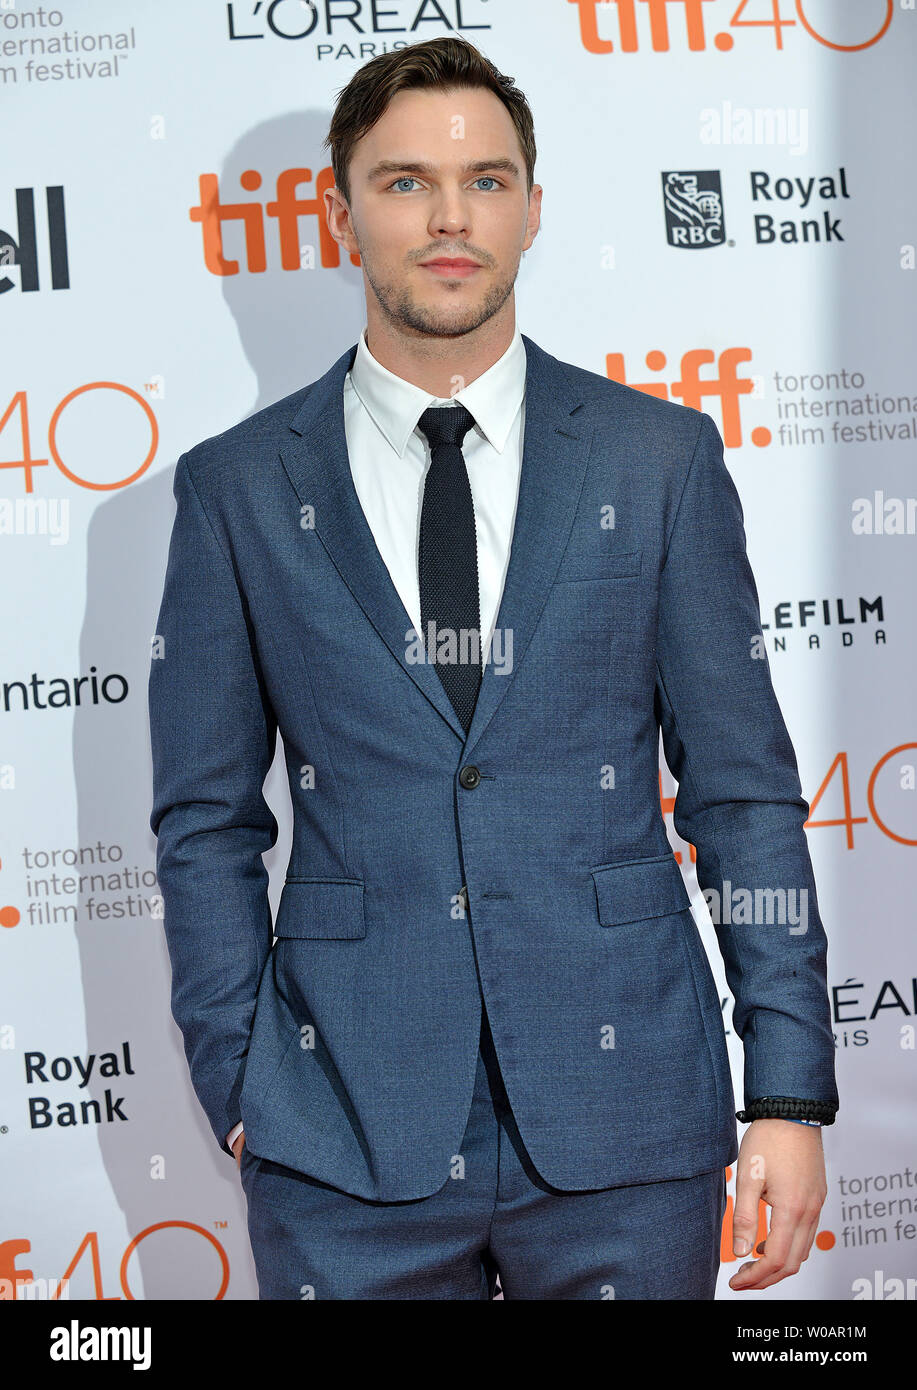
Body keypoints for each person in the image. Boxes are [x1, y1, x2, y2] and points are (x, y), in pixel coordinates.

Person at [148, 36, 838, 1300]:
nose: (450, 217)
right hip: (340, 1133)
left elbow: (742, 791)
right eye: (405, 181)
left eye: (486, 181)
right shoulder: (239, 490)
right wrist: (241, 1076)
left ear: (531, 208)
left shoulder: (656, 460)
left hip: (627, 1126)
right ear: (338, 207)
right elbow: (203, 819)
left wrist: (786, 1092)